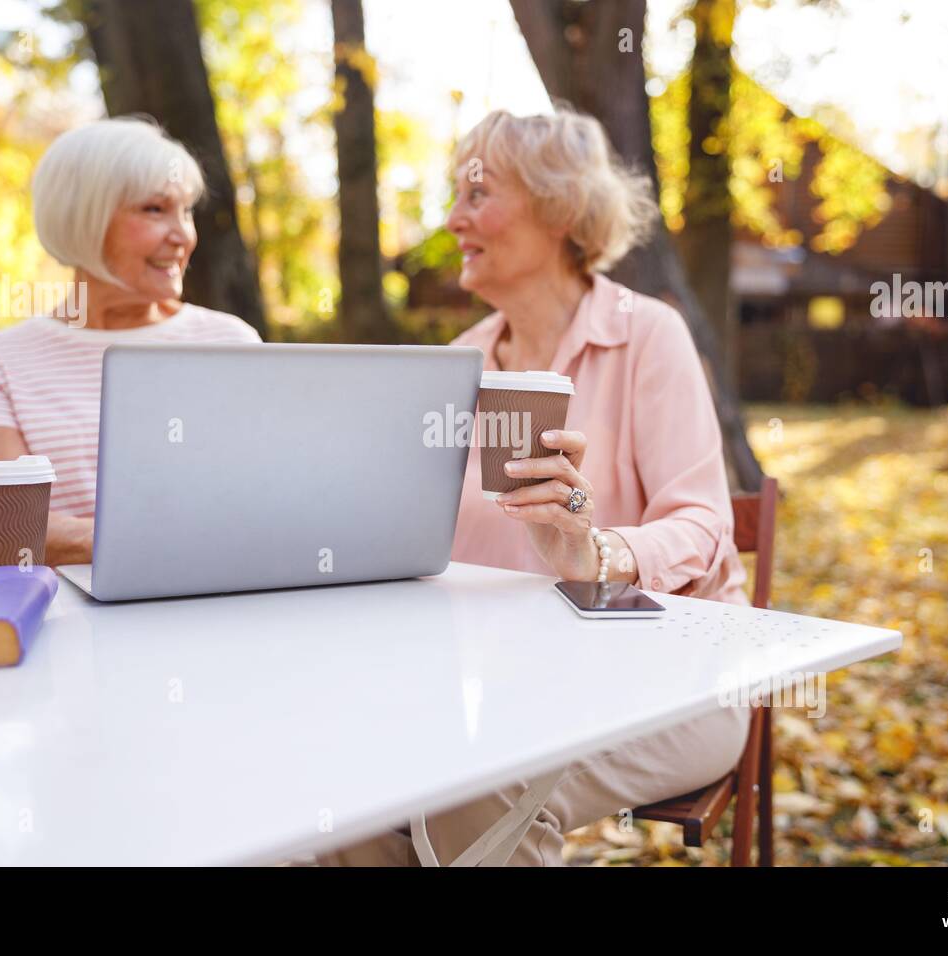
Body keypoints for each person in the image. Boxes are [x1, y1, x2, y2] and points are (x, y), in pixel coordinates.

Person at [320, 109, 752, 866]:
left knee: (480, 784)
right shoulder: (459, 363)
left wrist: (595, 551)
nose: (453, 219)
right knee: (345, 793)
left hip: (680, 676)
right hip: (511, 682)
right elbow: (424, 550)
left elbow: (702, 522)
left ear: (558, 207)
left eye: (477, 195)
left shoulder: (647, 333)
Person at [0, 118, 260, 565]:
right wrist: (164, 540)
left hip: (219, 603)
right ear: (84, 219)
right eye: (155, 209)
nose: (183, 236)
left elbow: (266, 498)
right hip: (66, 620)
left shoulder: (230, 342)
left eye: (187, 211)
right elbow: (1, 529)